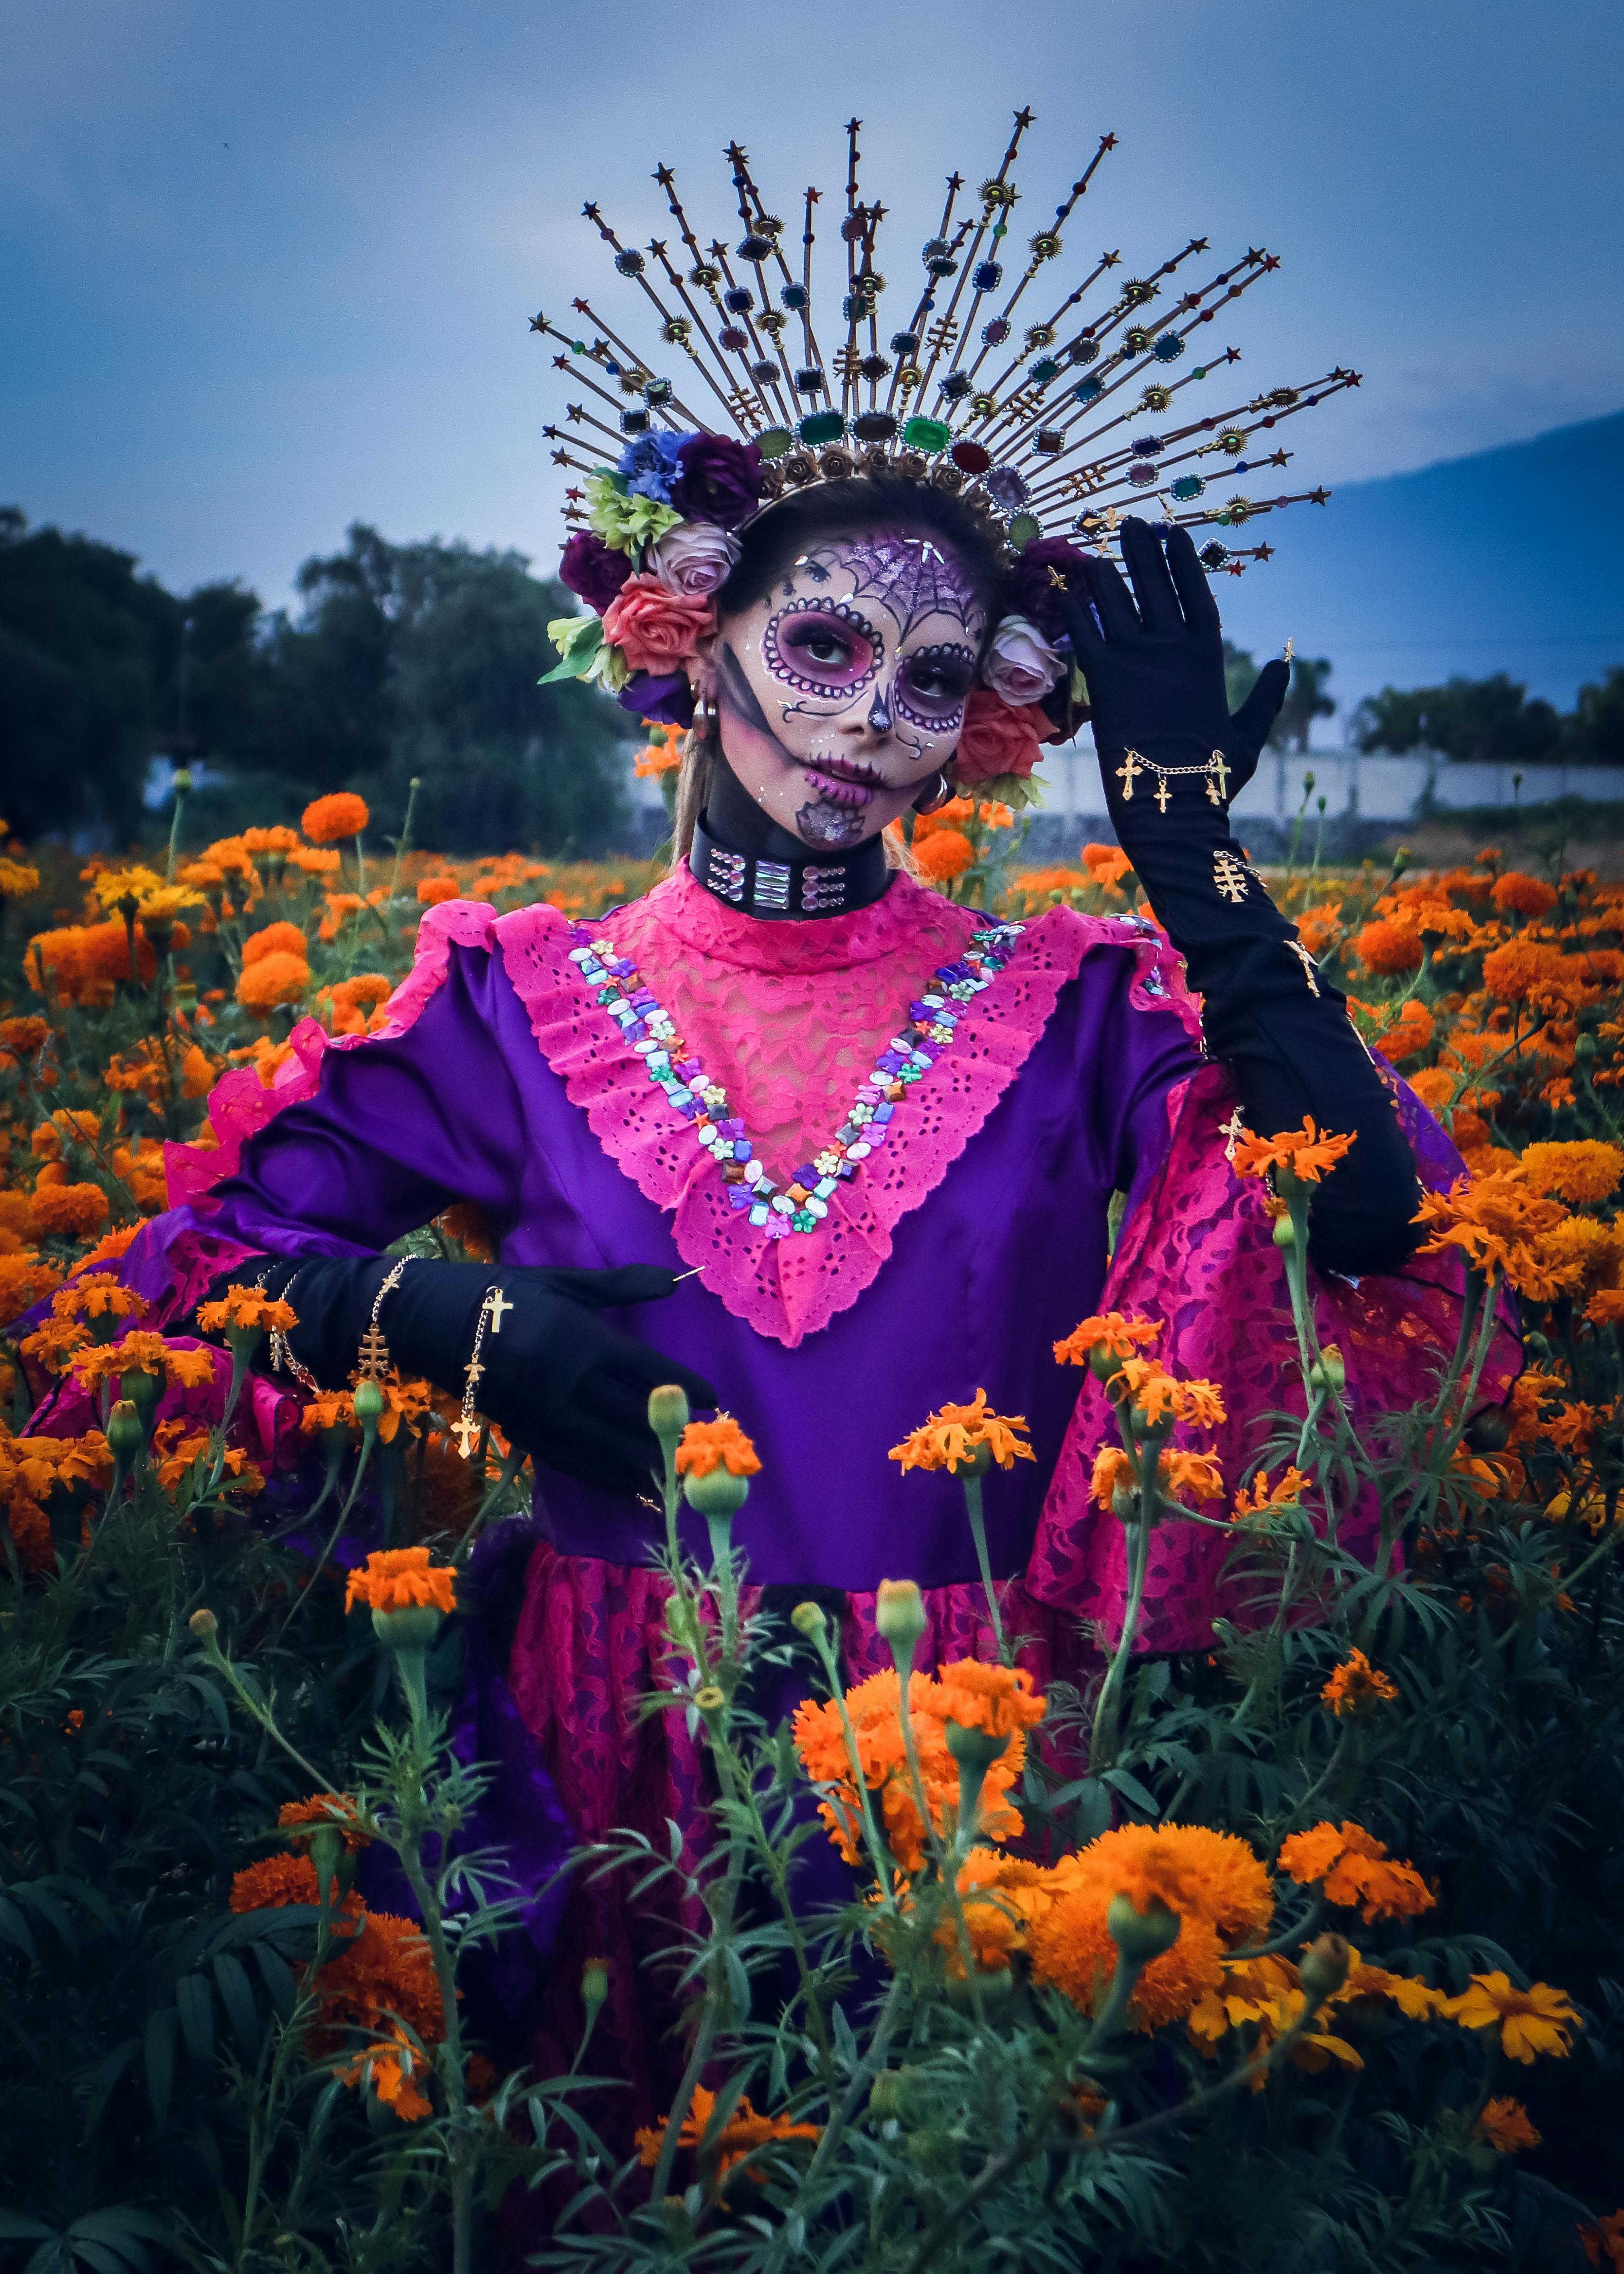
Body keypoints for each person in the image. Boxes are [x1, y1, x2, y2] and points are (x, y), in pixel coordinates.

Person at [49, 126, 1506, 2099]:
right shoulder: (515, 997)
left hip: (971, 1770)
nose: (860, 718)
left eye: (923, 679)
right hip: (617, 1761)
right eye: (820, 643)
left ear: (982, 717)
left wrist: (1185, 853)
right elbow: (192, 1257)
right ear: (696, 629)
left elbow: (1371, 1225)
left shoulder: (1071, 1006)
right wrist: (474, 1327)